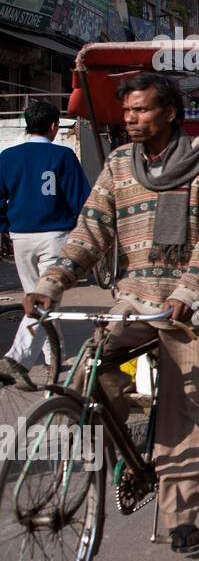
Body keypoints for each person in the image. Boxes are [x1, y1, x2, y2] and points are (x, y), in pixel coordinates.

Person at [24, 73, 199, 554]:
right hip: (136, 296)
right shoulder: (120, 164)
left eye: (142, 110)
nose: (132, 118)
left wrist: (189, 291)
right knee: (88, 369)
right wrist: (51, 283)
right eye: (127, 112)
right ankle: (114, 451)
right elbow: (90, 229)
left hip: (197, 307)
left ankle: (180, 515)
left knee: (187, 406)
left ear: (168, 112)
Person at [0, 100, 91, 385]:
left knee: (37, 295)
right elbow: (81, 199)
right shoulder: (62, 156)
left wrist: (4, 228)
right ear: (54, 126)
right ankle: (16, 359)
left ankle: (54, 355)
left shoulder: (7, 157)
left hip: (20, 236)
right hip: (55, 236)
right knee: (44, 299)